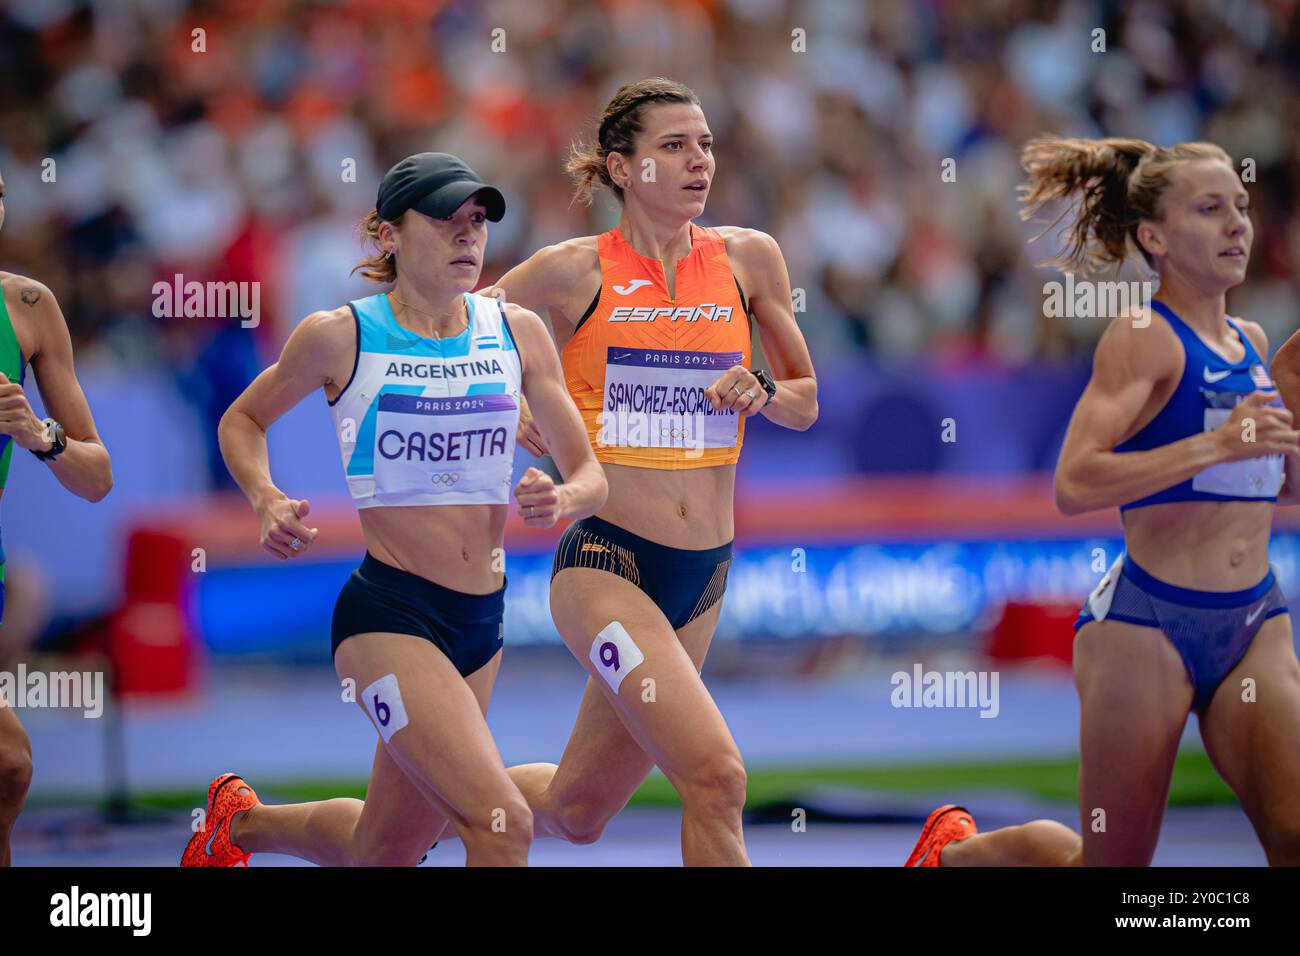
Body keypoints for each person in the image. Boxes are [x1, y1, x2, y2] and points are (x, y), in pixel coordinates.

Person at [181, 152, 606, 867]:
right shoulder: (339, 334)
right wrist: (265, 496)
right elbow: (241, 421)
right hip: (389, 615)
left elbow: (592, 475)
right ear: (387, 235)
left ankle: (238, 826)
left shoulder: (517, 331)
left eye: (477, 222)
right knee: (501, 823)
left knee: (384, 848)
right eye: (445, 221)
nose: (468, 237)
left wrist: (563, 495)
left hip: (481, 622)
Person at [907, 137, 1300, 867]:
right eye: (1211, 210)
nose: (1238, 225)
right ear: (1154, 236)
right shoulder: (1144, 339)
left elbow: (1271, 487)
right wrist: (1217, 444)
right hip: (1146, 627)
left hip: (1255, 621)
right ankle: (957, 855)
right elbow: (1074, 483)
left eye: (1240, 208)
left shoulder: (1252, 341)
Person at [488, 77, 818, 866]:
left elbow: (806, 402)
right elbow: (452, 341)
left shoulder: (749, 258)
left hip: (702, 574)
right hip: (607, 563)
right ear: (623, 168)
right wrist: (516, 412)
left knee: (577, 810)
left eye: (704, 144)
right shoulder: (570, 272)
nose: (699, 160)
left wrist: (764, 390)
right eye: (674, 147)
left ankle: (385, 812)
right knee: (716, 776)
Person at [0, 167, 115, 867]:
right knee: (8, 759)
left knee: (7, 769)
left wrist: (39, 435)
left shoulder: (28, 305)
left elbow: (97, 477)